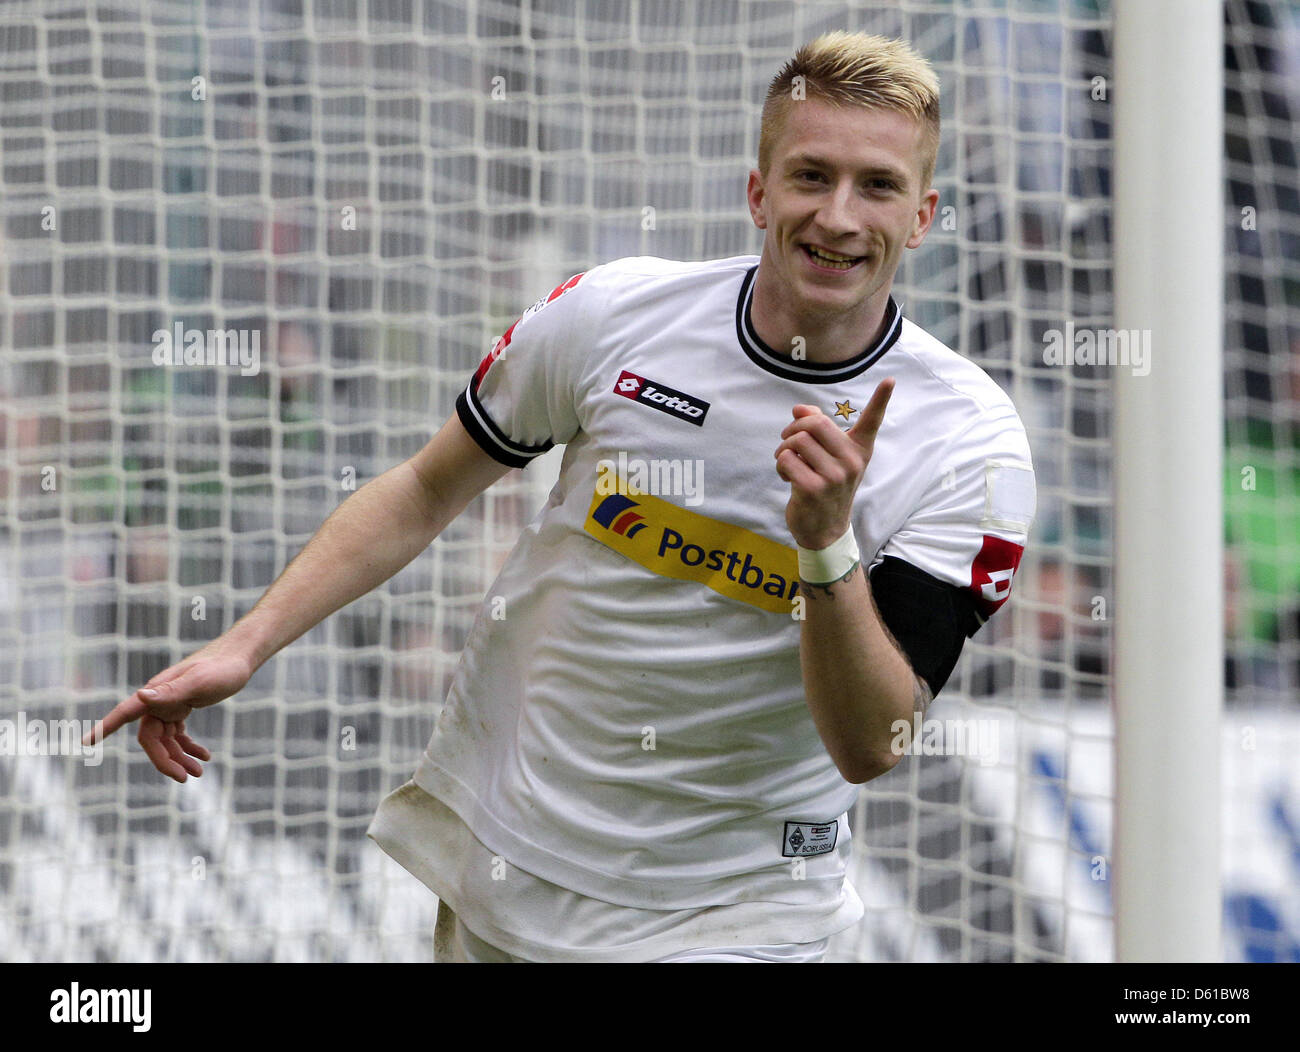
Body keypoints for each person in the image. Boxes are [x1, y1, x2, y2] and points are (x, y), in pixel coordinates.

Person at [86, 31, 1035, 963]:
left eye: (877, 186)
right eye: (810, 176)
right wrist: (245, 644)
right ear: (757, 191)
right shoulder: (611, 314)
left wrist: (826, 547)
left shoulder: (969, 443)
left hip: (745, 910)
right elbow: (423, 490)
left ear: (922, 215)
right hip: (513, 862)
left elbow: (875, 740)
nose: (837, 216)